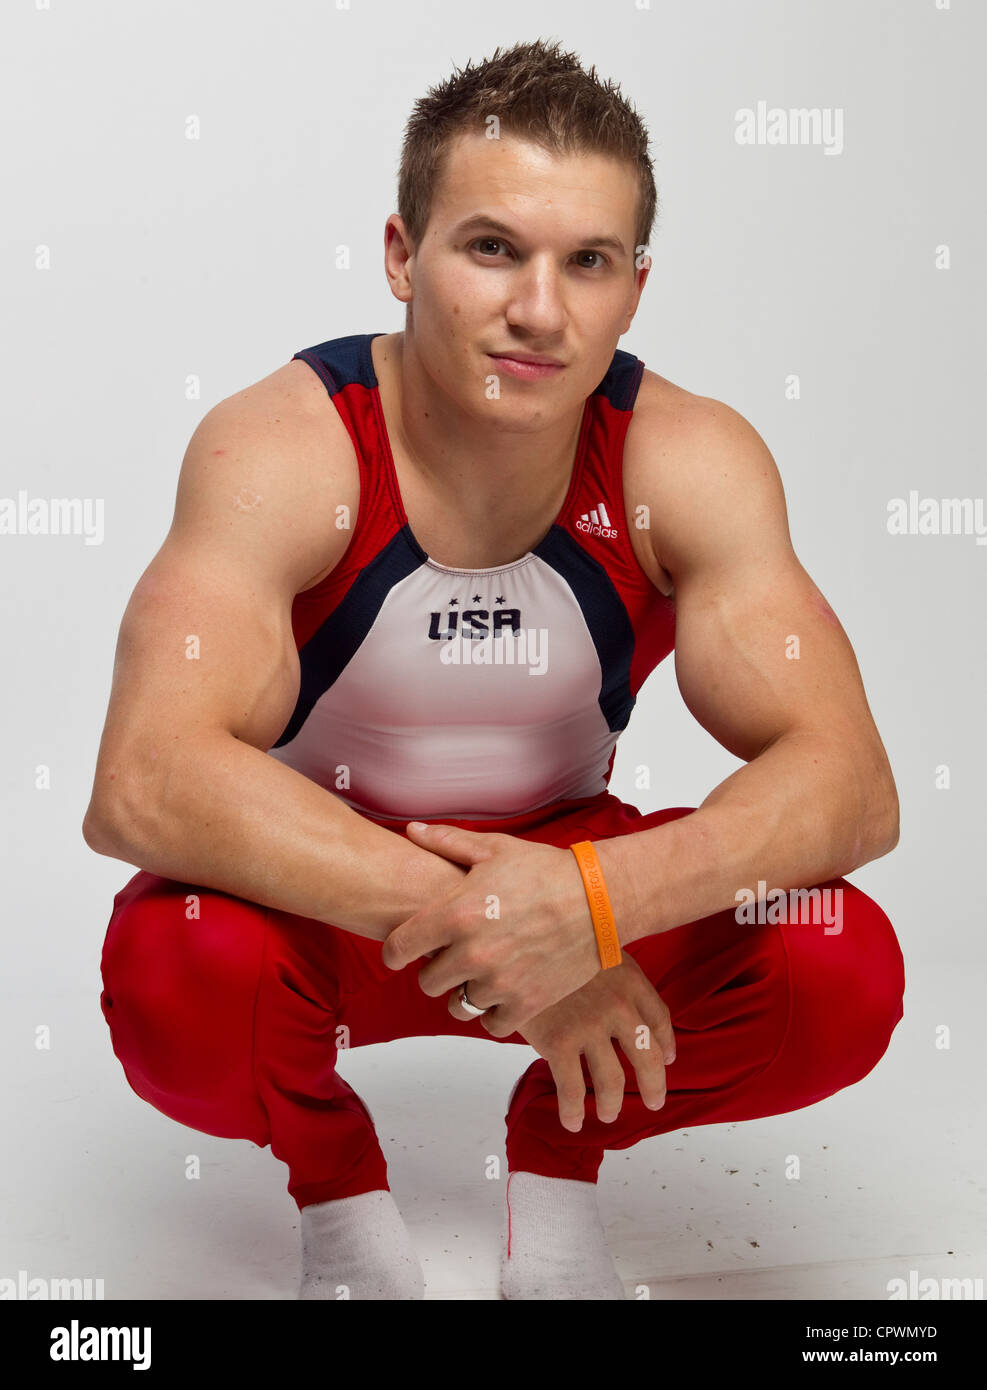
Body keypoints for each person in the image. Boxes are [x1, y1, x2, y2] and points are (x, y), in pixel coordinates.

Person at [82, 39, 904, 1301]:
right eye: (491, 248)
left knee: (836, 952)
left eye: (588, 262)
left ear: (635, 286)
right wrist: (517, 935)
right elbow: (144, 782)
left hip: (572, 868)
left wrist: (595, 902)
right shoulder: (282, 450)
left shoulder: (686, 461)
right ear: (404, 254)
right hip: (323, 889)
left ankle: (563, 1147)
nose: (540, 310)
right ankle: (336, 1181)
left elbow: (851, 787)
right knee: (177, 962)